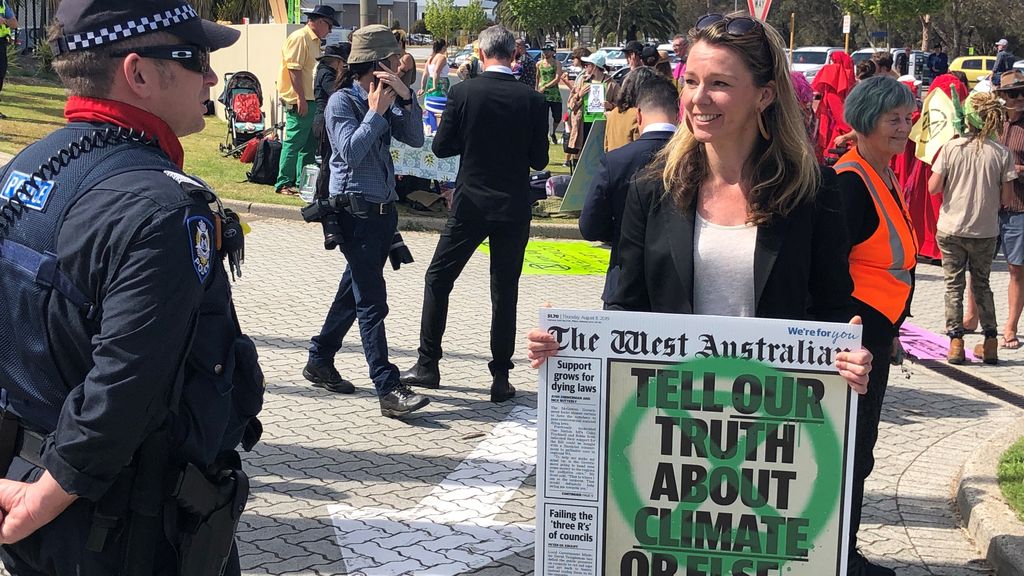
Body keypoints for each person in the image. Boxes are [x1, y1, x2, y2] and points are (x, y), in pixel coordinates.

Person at [528, 6, 873, 525]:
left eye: (719, 83)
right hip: (670, 432)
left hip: (772, 435)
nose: (697, 98)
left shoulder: (815, 192)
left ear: (764, 94)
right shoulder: (652, 186)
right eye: (690, 80)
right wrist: (570, 348)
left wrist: (850, 359)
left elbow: (831, 310)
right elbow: (624, 306)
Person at [0, 0, 266, 573]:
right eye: (193, 58)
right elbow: (127, 382)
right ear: (138, 73)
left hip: (37, 494)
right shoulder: (162, 209)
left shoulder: (26, 166)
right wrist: (48, 495)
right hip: (124, 525)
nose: (213, 77)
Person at [399, 25, 549, 402]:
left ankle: (428, 363)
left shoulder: (463, 92)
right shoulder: (532, 100)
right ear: (515, 55)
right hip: (513, 207)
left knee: (438, 278)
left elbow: (444, 147)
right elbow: (540, 159)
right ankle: (500, 377)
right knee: (505, 290)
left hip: (471, 204)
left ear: (481, 55)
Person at [304, 24, 429, 418]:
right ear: (375, 66)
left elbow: (414, 139)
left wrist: (407, 100)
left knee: (353, 292)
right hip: (353, 213)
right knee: (372, 302)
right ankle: (388, 387)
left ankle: (320, 359)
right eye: (393, 62)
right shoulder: (343, 102)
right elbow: (351, 152)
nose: (400, 66)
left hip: (381, 213)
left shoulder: (391, 100)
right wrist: (375, 113)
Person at [834, 75, 919, 576]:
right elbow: (830, 271)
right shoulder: (850, 181)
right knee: (853, 450)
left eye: (908, 118)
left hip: (877, 336)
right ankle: (841, 555)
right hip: (856, 342)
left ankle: (847, 548)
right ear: (866, 121)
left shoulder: (881, 173)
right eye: (894, 119)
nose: (905, 127)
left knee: (861, 450)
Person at [928, 92, 1016, 364]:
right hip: (985, 230)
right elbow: (1007, 198)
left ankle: (955, 342)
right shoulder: (1002, 153)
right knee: (982, 285)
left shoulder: (952, 148)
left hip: (952, 227)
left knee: (953, 285)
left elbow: (933, 188)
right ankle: (990, 341)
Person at [580, 75, 679, 305]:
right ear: (677, 114)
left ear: (639, 116)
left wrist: (621, 233)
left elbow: (589, 226)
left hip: (625, 284)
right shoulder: (696, 160)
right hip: (678, 291)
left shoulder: (615, 161)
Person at [275, 4, 338, 196]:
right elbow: (293, 70)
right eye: (329, 25)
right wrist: (300, 98)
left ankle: (303, 184)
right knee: (294, 142)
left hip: (312, 100)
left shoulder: (314, 40)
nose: (331, 30)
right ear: (319, 22)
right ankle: (283, 183)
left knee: (310, 145)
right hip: (300, 100)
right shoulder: (299, 38)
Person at [996, 70, 1024, 350]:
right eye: (1012, 93)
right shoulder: (992, 123)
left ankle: (1011, 326)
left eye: (1021, 93)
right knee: (977, 268)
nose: (1018, 99)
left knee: (1016, 269)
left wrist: (1015, 171)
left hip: (1019, 207)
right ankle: (971, 318)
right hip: (988, 206)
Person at [312, 42, 350, 200]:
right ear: (337, 60)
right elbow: (336, 92)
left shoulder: (324, 71)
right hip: (323, 121)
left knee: (327, 160)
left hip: (323, 120)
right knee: (327, 161)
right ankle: (321, 198)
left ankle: (323, 197)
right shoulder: (326, 73)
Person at [566, 53, 619, 154]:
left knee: (599, 154)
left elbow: (621, 105)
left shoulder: (611, 84)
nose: (585, 67)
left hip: (602, 124)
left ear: (594, 66)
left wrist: (611, 106)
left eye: (587, 64)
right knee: (582, 154)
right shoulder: (582, 81)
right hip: (583, 124)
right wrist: (579, 94)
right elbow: (570, 105)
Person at [603, 66, 657, 152]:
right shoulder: (639, 116)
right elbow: (642, 152)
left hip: (613, 163)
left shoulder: (613, 114)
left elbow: (606, 147)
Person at [561, 47, 591, 169]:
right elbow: (575, 91)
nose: (572, 60)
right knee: (572, 141)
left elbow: (579, 95)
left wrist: (574, 101)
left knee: (576, 143)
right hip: (573, 112)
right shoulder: (581, 74)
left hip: (579, 113)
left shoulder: (585, 75)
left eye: (574, 57)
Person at [536, 44, 563, 144]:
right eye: (544, 51)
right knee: (543, 117)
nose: (545, 53)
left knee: (557, 116)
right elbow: (537, 78)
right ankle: (544, 136)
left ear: (552, 52)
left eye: (547, 51)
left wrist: (546, 86)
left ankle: (553, 132)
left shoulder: (557, 63)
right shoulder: (539, 64)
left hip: (554, 94)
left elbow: (557, 79)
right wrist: (537, 90)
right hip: (543, 94)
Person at [0, 0, 16, 119]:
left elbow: (14, 23)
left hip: (1, 44)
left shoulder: (2, 3)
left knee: (1, 73)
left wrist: (3, 21)